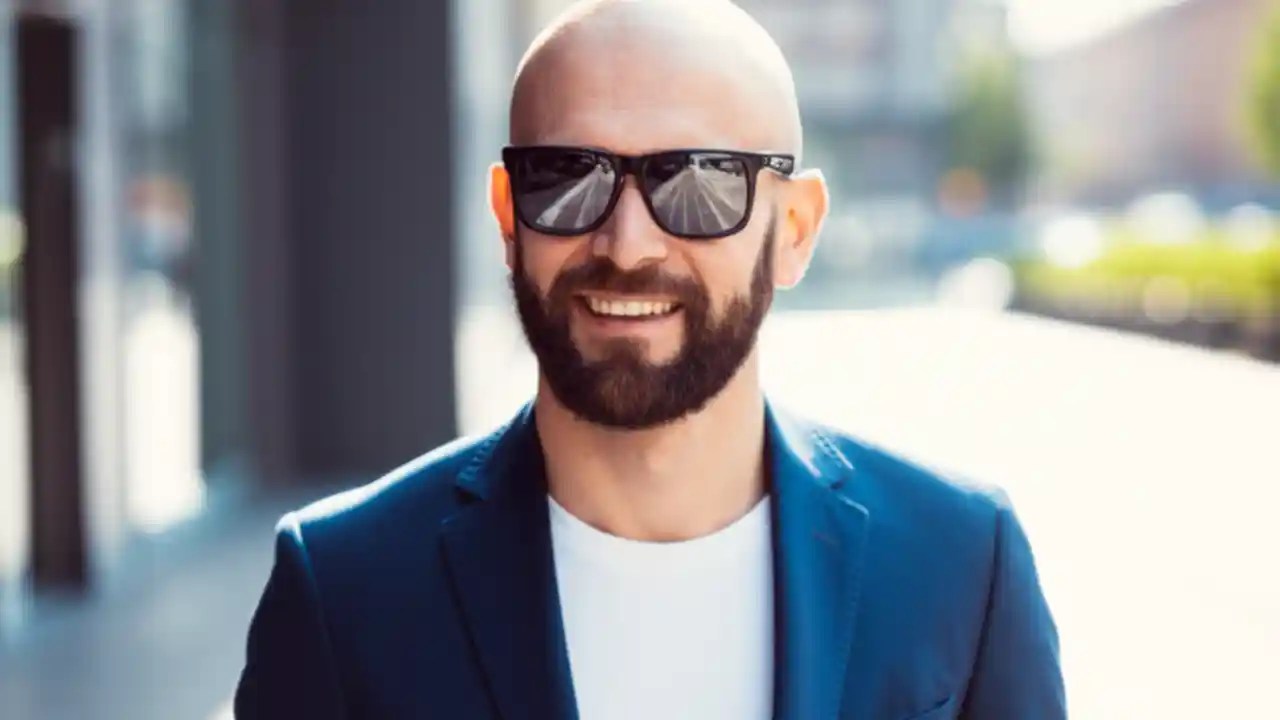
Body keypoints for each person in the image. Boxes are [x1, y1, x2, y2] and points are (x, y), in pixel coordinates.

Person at [233, 1, 1065, 718]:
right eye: (567, 178)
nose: (627, 244)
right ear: (507, 217)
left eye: (700, 182)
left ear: (798, 230)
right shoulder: (343, 588)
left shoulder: (960, 562)